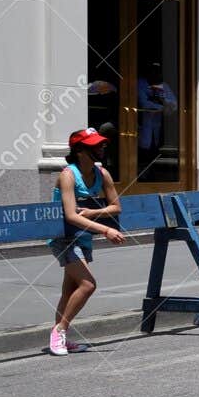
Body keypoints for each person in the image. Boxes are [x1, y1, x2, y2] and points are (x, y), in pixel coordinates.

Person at [46, 128, 125, 356]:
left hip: (84, 236)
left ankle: (60, 338)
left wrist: (91, 213)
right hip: (63, 237)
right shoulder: (68, 175)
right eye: (95, 145)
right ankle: (60, 330)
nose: (101, 148)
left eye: (101, 144)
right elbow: (70, 216)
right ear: (80, 151)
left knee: (69, 289)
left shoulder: (103, 174)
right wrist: (107, 230)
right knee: (88, 284)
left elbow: (116, 206)